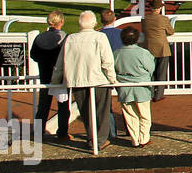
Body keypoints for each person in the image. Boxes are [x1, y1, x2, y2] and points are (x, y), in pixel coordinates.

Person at [51, 11, 118, 151]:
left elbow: (60, 63)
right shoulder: (100, 37)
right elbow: (107, 61)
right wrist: (112, 79)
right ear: (94, 23)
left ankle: (92, 139)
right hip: (98, 81)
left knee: (86, 112)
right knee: (101, 111)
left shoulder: (70, 38)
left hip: (77, 81)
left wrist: (55, 81)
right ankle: (99, 140)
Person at [113, 26, 156, 148]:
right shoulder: (143, 53)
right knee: (144, 115)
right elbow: (151, 68)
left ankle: (135, 140)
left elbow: (112, 69)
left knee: (130, 116)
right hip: (141, 87)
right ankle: (143, 138)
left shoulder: (116, 53)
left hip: (124, 88)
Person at [30, 11, 70, 142]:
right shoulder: (65, 37)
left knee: (43, 106)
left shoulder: (39, 38)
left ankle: (37, 132)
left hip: (45, 76)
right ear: (61, 22)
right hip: (61, 77)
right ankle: (62, 133)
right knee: (63, 106)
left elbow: (33, 55)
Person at [141, 0, 175, 92]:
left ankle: (150, 92)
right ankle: (159, 93)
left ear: (151, 7)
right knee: (161, 72)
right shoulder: (164, 19)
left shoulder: (144, 18)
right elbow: (171, 32)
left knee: (150, 71)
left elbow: (144, 30)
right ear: (159, 8)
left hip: (149, 47)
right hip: (162, 48)